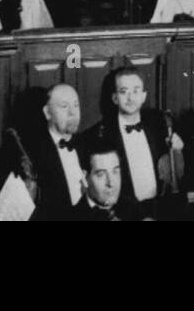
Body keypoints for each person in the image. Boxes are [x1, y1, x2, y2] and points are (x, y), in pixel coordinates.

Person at [81, 67, 183, 220]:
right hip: (126, 214)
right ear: (115, 98)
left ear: (143, 96)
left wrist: (178, 149)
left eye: (136, 91)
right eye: (123, 91)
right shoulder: (99, 135)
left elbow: (174, 174)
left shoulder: (159, 125)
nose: (130, 97)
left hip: (161, 210)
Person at [22, 83, 85, 220]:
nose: (73, 113)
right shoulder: (33, 155)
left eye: (76, 105)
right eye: (64, 106)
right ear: (47, 112)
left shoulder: (88, 143)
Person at [67, 139, 126, 220]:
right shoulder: (71, 218)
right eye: (101, 174)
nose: (111, 183)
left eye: (115, 172)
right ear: (85, 179)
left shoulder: (133, 207)